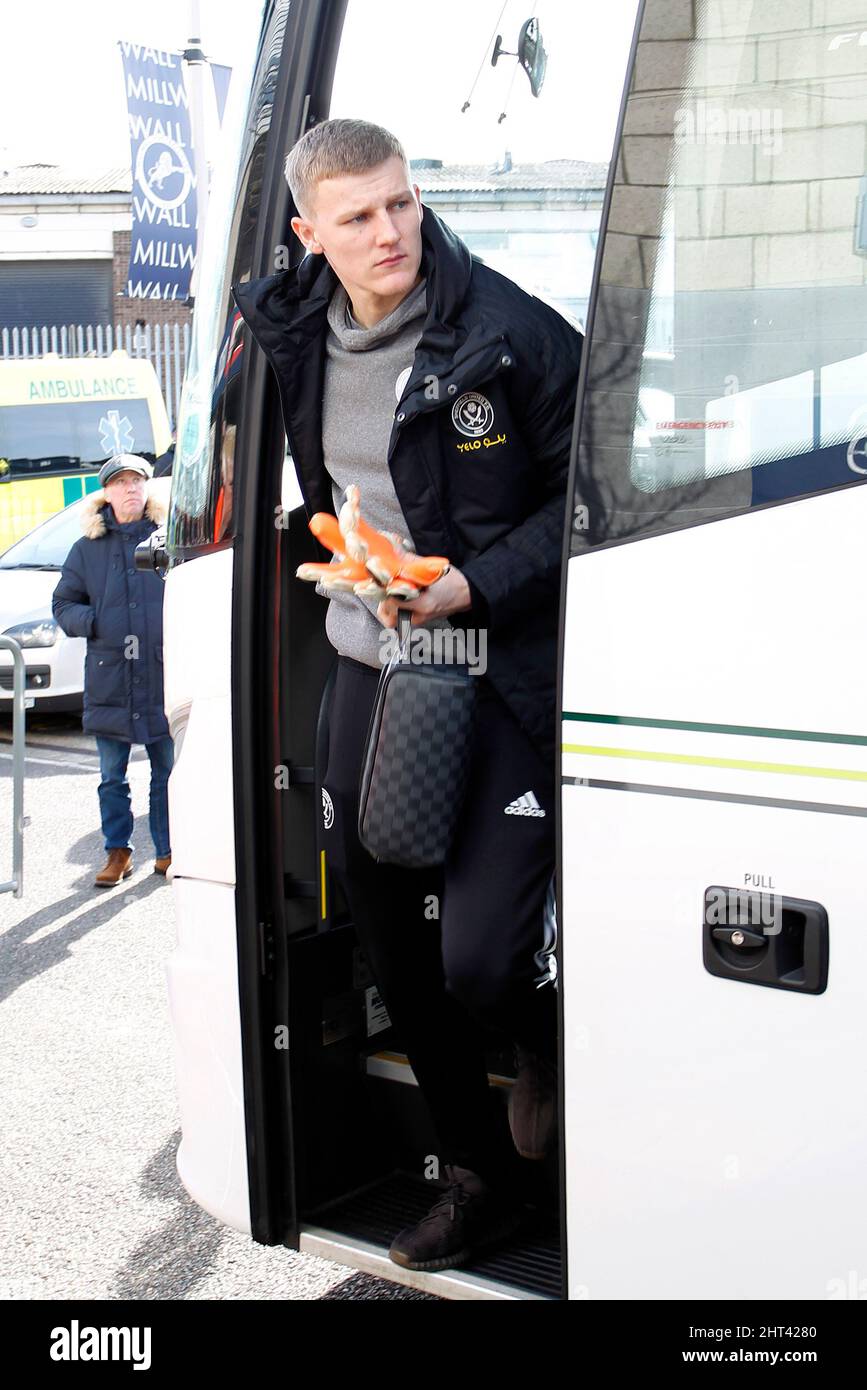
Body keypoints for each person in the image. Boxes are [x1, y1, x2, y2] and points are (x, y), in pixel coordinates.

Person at [233, 119, 582, 1270]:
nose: (390, 233)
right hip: (370, 670)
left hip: (490, 672)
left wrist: (471, 584)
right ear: (309, 234)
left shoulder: (513, 334)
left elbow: (587, 502)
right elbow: (329, 485)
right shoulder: (293, 333)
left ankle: (546, 1047)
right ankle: (478, 1176)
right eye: (357, 217)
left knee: (481, 957)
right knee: (393, 949)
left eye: (401, 203)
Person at [52, 454, 173, 887]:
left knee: (167, 771)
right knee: (111, 776)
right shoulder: (87, 548)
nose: (130, 489)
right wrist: (97, 622)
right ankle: (117, 853)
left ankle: (167, 849)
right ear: (106, 492)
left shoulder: (167, 539)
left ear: (147, 488)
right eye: (120, 482)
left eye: (136, 481)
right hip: (110, 676)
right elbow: (63, 603)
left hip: (161, 674)